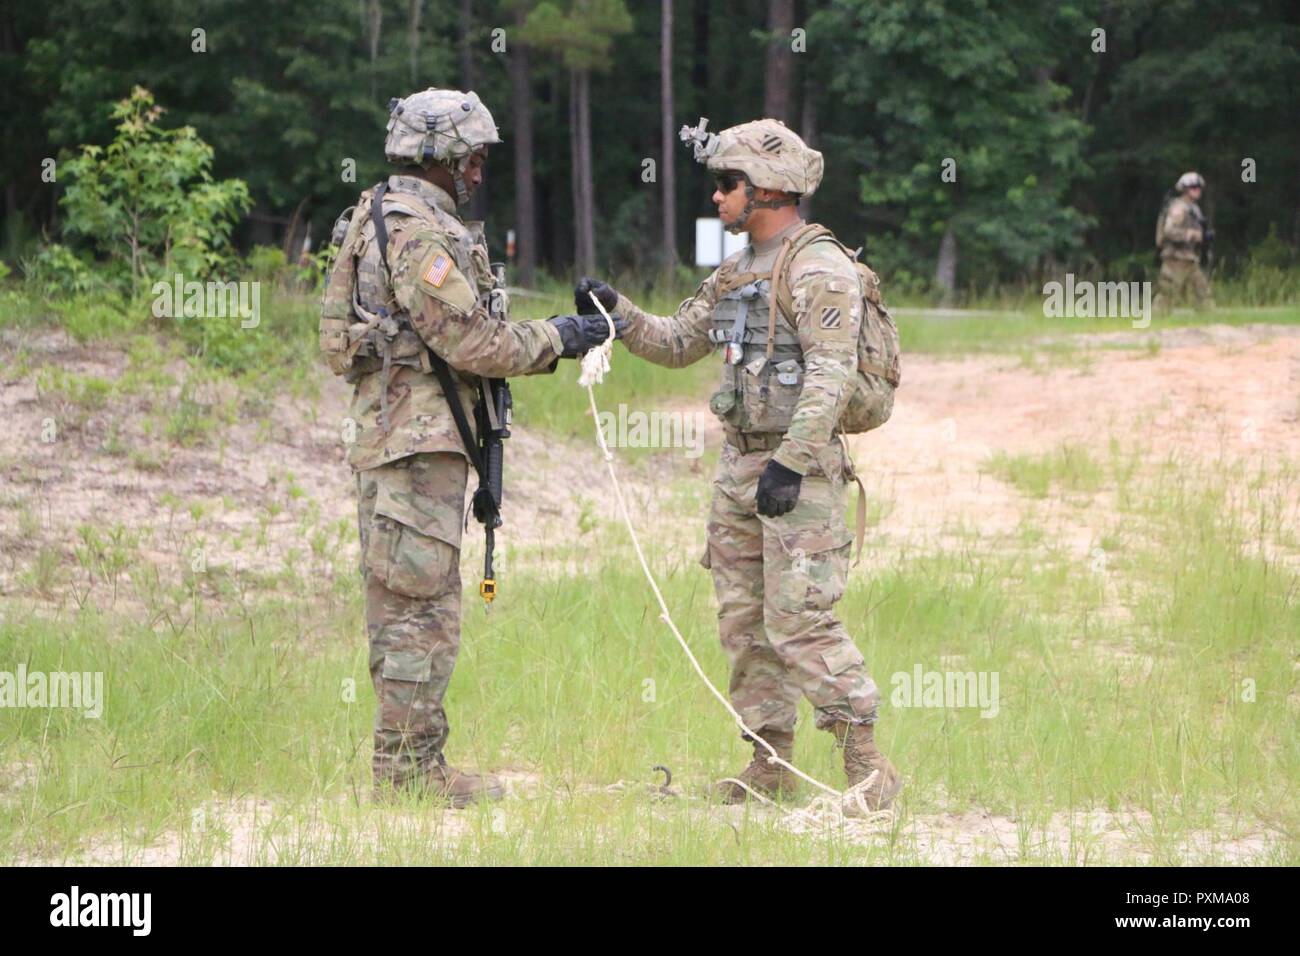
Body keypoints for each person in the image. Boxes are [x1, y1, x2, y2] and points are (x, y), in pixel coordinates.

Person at [575, 118, 901, 812]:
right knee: (745, 624)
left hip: (799, 472)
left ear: (770, 189)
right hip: (739, 471)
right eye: (716, 184)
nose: (716, 197)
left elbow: (832, 375)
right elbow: (675, 341)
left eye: (727, 185)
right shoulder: (736, 270)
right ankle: (771, 763)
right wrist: (618, 313)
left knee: (801, 620)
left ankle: (868, 768)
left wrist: (790, 461)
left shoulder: (819, 267)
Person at [319, 88, 618, 805]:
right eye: (473, 159)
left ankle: (414, 767)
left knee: (410, 608)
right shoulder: (416, 233)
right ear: (441, 158)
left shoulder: (381, 215)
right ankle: (406, 777)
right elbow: (472, 340)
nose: (480, 173)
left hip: (408, 441)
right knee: (418, 614)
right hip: (414, 448)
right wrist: (561, 338)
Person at [1153, 171, 1214, 311]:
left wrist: (1204, 237)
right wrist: (1191, 235)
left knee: (1203, 293)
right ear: (1185, 189)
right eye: (1193, 187)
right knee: (1167, 295)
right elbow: (1169, 231)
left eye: (1198, 187)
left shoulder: (1194, 208)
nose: (1197, 190)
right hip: (1175, 259)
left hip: (1190, 258)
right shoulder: (1178, 208)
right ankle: (1155, 322)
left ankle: (1209, 323)